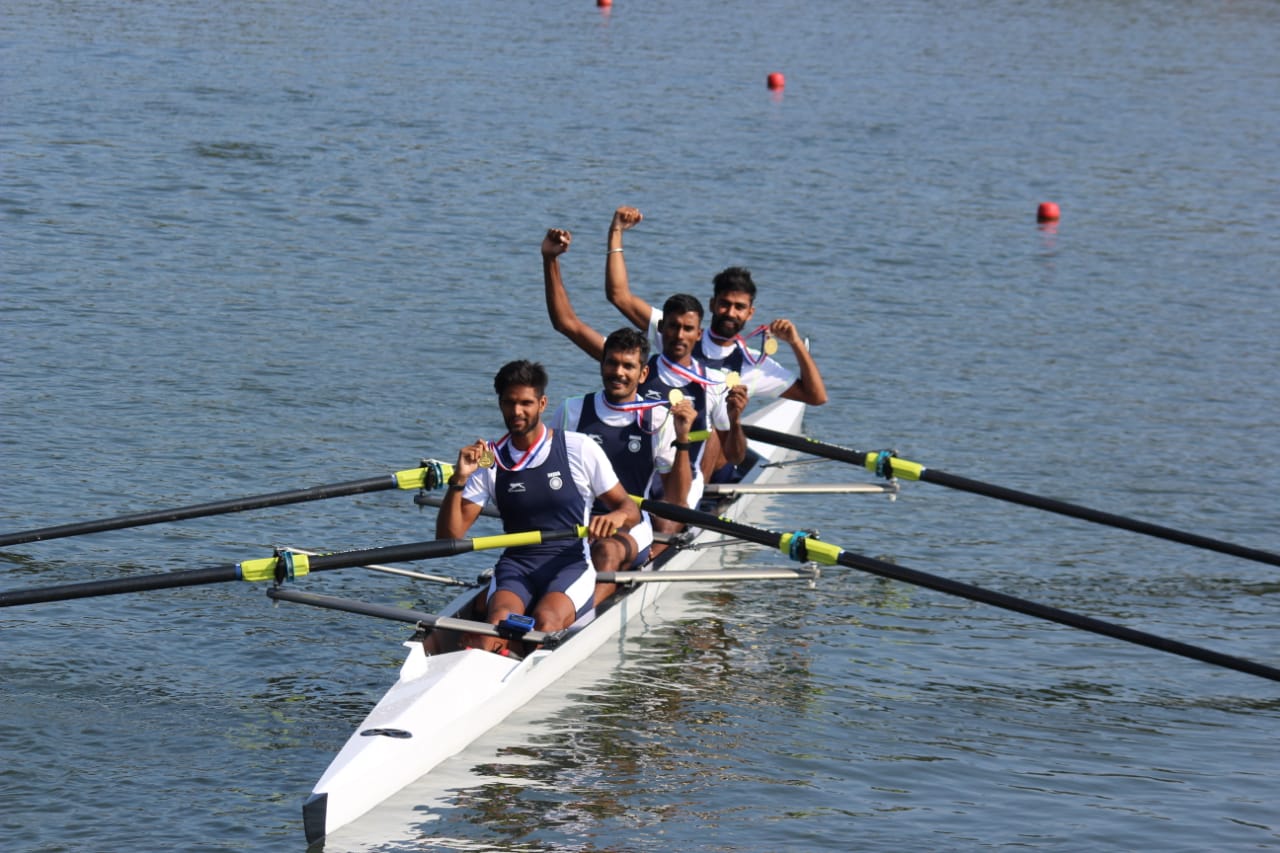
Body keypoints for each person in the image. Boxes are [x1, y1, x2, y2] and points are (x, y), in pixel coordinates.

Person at [542, 228, 747, 525]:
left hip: (678, 481)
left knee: (664, 520)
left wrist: (735, 420)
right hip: (627, 478)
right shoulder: (632, 365)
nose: (679, 335)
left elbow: (736, 456)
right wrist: (550, 259)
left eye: (687, 329)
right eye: (673, 326)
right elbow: (566, 323)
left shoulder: (714, 384)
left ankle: (656, 543)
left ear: (698, 334)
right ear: (661, 328)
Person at [437, 360, 641, 655]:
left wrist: (617, 517)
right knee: (498, 622)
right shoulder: (489, 459)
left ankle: (516, 653)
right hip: (517, 565)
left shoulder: (579, 448)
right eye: (509, 403)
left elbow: (630, 509)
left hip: (570, 563)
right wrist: (458, 480)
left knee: (546, 622)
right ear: (500, 404)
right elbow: (448, 538)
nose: (517, 411)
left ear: (542, 404)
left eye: (526, 403)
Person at [603, 206, 828, 407]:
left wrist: (795, 343)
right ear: (712, 304)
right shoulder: (680, 333)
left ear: (750, 313)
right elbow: (619, 296)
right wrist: (617, 231)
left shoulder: (753, 364)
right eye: (725, 304)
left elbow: (816, 396)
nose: (730, 313)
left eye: (739, 307)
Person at [547, 326, 697, 601]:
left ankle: (578, 619)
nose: (618, 372)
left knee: (606, 552)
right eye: (612, 363)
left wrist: (684, 438)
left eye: (628, 366)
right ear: (602, 365)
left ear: (643, 374)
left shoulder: (659, 420)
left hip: (629, 525)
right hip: (574, 522)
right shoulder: (571, 410)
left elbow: (677, 501)